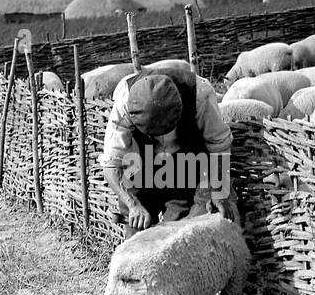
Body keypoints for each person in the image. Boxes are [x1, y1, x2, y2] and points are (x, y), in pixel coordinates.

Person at [98, 61, 238, 238]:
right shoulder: (125, 98)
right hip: (140, 163)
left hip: (184, 163)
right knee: (136, 231)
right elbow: (111, 164)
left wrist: (219, 191)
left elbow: (219, 144)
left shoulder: (199, 94)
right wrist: (133, 205)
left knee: (181, 231)